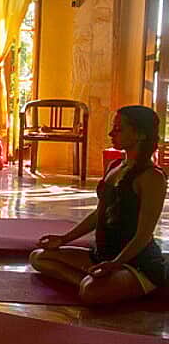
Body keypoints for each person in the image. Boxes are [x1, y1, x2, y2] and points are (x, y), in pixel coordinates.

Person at [30, 105, 168, 304]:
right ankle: (93, 281)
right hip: (102, 255)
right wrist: (63, 239)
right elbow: (99, 214)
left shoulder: (152, 177)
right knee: (39, 257)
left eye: (119, 129)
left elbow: (143, 236)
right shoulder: (114, 167)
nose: (111, 133)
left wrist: (115, 264)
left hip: (136, 263)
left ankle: (98, 283)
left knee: (91, 292)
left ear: (139, 134)